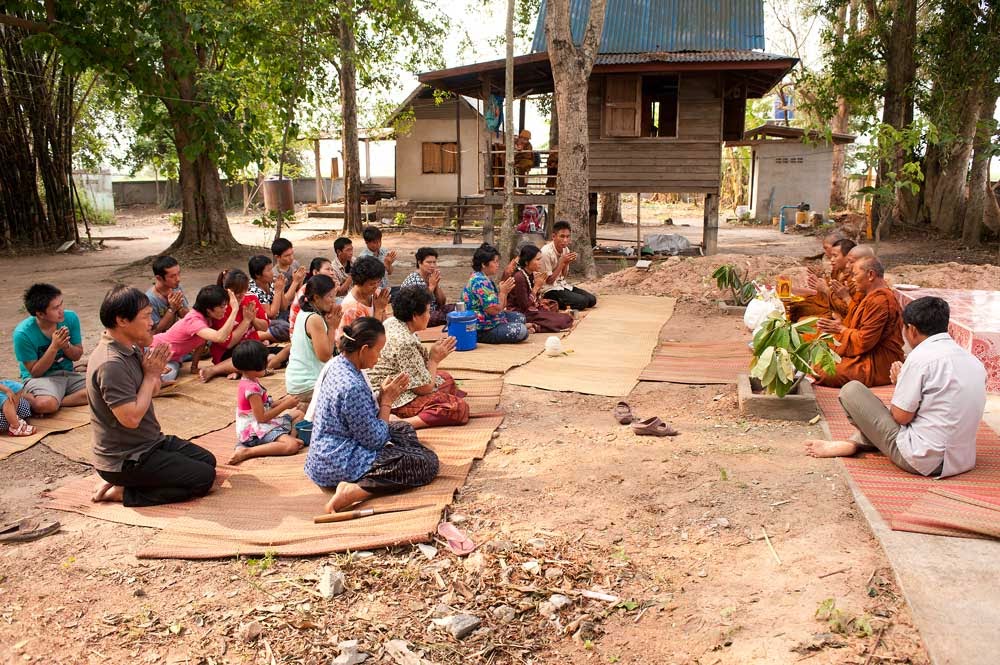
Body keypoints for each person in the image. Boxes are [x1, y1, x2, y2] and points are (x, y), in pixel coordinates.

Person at [805, 297, 986, 478]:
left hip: (921, 459)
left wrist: (900, 384)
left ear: (912, 330)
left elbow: (901, 417)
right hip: (961, 459)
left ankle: (856, 443)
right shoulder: (973, 360)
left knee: (851, 391)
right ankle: (855, 443)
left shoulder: (920, 358)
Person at [89, 285, 217, 506]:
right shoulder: (111, 364)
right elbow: (130, 419)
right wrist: (150, 376)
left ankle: (132, 484)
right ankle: (122, 492)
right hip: (126, 459)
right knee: (203, 479)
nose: (151, 323)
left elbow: (153, 390)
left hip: (149, 442)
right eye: (146, 316)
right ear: (122, 320)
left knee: (208, 461)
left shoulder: (131, 347)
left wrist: (154, 373)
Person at [305, 317, 440, 514]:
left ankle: (384, 465)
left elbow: (359, 413)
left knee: (404, 429)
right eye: (377, 351)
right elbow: (375, 441)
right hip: (336, 460)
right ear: (364, 350)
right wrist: (386, 401)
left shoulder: (339, 363)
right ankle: (356, 490)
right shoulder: (351, 386)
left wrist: (382, 396)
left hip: (329, 450)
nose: (379, 357)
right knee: (424, 463)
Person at [368, 286, 469, 429]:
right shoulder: (404, 342)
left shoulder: (393, 322)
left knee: (446, 378)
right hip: (393, 397)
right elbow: (424, 389)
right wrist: (434, 360)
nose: (429, 315)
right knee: (457, 407)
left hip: (399, 384)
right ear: (415, 315)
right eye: (428, 311)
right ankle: (402, 423)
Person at [815, 257, 904, 387]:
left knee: (826, 372)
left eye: (855, 274)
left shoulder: (881, 300)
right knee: (821, 352)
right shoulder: (870, 296)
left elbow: (865, 340)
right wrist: (840, 327)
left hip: (880, 362)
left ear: (870, 275)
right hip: (867, 352)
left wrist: (841, 330)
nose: (852, 279)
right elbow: (857, 321)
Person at [152, 285, 253, 383]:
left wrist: (194, 366)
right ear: (209, 310)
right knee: (162, 378)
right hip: (153, 350)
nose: (226, 308)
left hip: (172, 358)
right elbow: (220, 337)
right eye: (222, 306)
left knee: (169, 375)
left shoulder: (207, 318)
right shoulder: (194, 320)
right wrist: (234, 310)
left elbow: (201, 343)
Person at [13, 283, 88, 414]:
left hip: (67, 374)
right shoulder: (22, 334)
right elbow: (35, 372)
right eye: (55, 308)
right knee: (45, 405)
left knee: (104, 391)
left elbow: (76, 356)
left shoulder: (70, 318)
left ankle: (59, 401)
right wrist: (54, 347)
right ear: (40, 314)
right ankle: (24, 395)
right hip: (41, 379)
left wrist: (66, 345)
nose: (61, 310)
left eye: (61, 304)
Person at [229, 340, 304, 465]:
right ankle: (248, 451)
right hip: (255, 429)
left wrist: (283, 401)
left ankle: (283, 439)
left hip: (262, 422)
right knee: (292, 446)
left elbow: (266, 404)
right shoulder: (251, 389)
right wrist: (285, 405)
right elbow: (262, 418)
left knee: (299, 414)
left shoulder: (252, 380)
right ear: (255, 365)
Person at [200, 270, 270, 382]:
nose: (241, 296)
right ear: (227, 290)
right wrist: (246, 321)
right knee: (255, 361)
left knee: (273, 356)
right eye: (237, 293)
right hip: (229, 352)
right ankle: (214, 370)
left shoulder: (251, 299)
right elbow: (229, 343)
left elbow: (264, 327)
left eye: (244, 292)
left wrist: (253, 319)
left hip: (251, 347)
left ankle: (237, 370)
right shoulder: (220, 307)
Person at [286, 275, 342, 403]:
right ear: (316, 298)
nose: (333, 301)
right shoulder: (314, 319)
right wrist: (332, 327)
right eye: (330, 297)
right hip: (307, 384)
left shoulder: (305, 312)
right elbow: (324, 356)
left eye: (334, 296)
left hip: (297, 381)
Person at [462, 243, 530, 344]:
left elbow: (501, 307)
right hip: (482, 327)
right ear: (484, 264)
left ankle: (504, 326)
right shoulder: (480, 282)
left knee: (520, 317)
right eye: (495, 262)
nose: (497, 265)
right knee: (522, 331)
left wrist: (505, 293)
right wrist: (503, 293)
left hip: (491, 318)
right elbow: (493, 311)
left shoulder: (484, 278)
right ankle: (482, 337)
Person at [507, 245, 574, 333]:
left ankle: (536, 325)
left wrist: (538, 287)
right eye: (537, 260)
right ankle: (535, 327)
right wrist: (536, 287)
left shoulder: (530, 274)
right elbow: (525, 306)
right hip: (520, 313)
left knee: (561, 313)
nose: (540, 263)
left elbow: (535, 299)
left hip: (531, 309)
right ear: (527, 262)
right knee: (563, 320)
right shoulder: (519, 277)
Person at [539, 221, 598, 311]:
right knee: (582, 302)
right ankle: (552, 302)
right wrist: (562, 263)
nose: (565, 240)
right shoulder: (546, 252)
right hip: (549, 290)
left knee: (592, 300)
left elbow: (564, 276)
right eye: (562, 236)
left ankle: (567, 300)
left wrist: (566, 263)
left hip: (562, 285)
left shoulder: (566, 249)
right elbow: (549, 281)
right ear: (554, 236)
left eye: (567, 236)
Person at [792, 238, 856, 320]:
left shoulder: (854, 280)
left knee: (802, 319)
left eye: (835, 256)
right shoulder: (837, 270)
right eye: (831, 256)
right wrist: (819, 279)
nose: (831, 260)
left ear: (848, 257)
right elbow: (831, 287)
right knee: (796, 307)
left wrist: (825, 290)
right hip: (829, 306)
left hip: (839, 314)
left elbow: (847, 310)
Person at [339, 256, 391, 337]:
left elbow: (385, 324)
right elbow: (367, 338)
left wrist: (382, 309)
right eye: (372, 284)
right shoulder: (351, 309)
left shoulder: (375, 293)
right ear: (359, 282)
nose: (376, 286)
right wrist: (379, 310)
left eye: (378, 282)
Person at [248, 255, 296, 342]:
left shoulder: (269, 283)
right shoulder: (254, 290)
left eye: (271, 269)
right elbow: (271, 315)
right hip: (265, 323)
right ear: (258, 275)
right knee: (285, 327)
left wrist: (280, 289)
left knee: (295, 316)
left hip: (279, 318)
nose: (272, 273)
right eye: (268, 270)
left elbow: (283, 307)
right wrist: (278, 291)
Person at [401, 247, 453, 327]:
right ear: (419, 263)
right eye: (428, 262)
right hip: (418, 316)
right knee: (448, 317)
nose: (432, 265)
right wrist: (431, 286)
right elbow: (420, 305)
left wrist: (436, 285)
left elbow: (442, 302)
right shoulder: (414, 280)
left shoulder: (430, 277)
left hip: (432, 311)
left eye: (434, 262)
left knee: (457, 309)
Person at [289, 257, 338, 331]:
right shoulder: (310, 288)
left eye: (332, 270)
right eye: (328, 269)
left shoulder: (321, 287)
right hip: (301, 329)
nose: (332, 273)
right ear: (315, 272)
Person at [146, 256, 190, 334]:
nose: (178, 279)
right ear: (159, 278)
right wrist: (172, 309)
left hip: (175, 334)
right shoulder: (150, 299)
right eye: (172, 276)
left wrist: (179, 306)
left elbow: (186, 317)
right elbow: (154, 331)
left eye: (178, 273)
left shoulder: (176, 287)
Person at [271, 237, 308, 319]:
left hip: (297, 301)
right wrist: (295, 281)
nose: (291, 257)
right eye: (287, 256)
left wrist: (301, 280)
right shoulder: (275, 275)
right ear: (277, 257)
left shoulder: (294, 264)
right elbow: (284, 304)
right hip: (284, 311)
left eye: (292, 254)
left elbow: (299, 290)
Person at [357, 226, 397, 290]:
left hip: (385, 288)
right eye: (374, 242)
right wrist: (384, 265)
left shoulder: (384, 251)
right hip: (373, 292)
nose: (378, 244)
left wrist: (389, 264)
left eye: (379, 241)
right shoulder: (364, 258)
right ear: (366, 242)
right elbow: (369, 278)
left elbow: (390, 272)